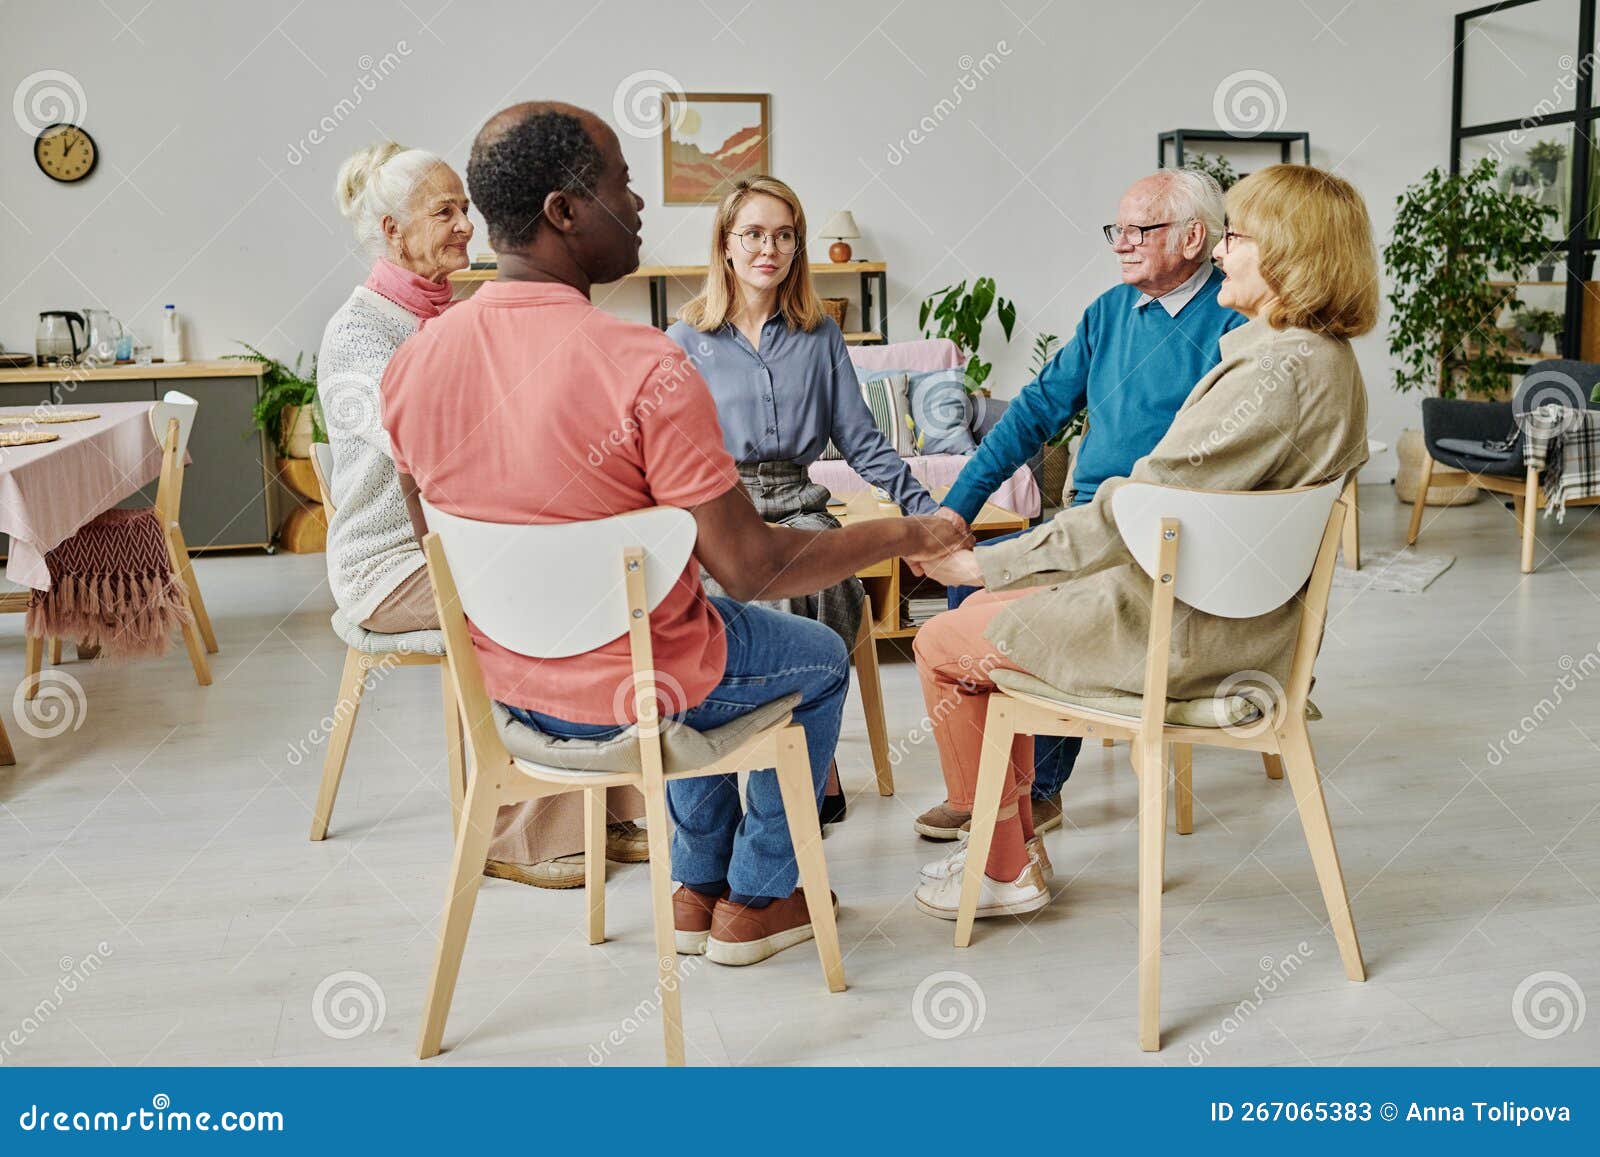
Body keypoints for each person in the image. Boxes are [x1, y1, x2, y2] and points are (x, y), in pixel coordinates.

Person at [381, 103, 968, 965]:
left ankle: (695, 886)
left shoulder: (415, 360)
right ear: (564, 211)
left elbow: (436, 542)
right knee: (813, 656)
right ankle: (760, 898)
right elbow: (755, 564)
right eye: (621, 177)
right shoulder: (648, 363)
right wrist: (908, 532)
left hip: (508, 693)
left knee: (702, 623)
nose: (642, 200)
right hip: (639, 690)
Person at [909, 164, 1377, 922]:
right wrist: (961, 525)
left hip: (1183, 622)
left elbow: (1142, 507)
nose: (1226, 251)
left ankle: (1003, 860)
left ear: (1289, 252)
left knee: (942, 642)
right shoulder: (1321, 362)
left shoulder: (1271, 370)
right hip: (1215, 605)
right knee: (987, 611)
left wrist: (979, 559)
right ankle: (1014, 847)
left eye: (1238, 237)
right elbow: (1049, 427)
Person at [316, 141, 650, 889]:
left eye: (465, 207)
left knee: (597, 589)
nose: (466, 224)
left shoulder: (456, 314)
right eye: (444, 212)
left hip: (473, 543)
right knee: (528, 605)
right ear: (392, 231)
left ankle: (612, 804)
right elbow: (415, 439)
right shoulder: (359, 332)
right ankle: (519, 831)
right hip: (390, 563)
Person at [914, 168, 1247, 843]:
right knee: (965, 605)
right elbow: (1034, 412)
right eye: (1115, 229)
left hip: (1166, 533)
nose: (1120, 243)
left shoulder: (1234, 320)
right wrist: (956, 510)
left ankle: (1033, 791)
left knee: (1033, 606)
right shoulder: (1109, 311)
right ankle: (989, 788)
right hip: (1085, 519)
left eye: (1138, 230)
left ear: (1192, 236)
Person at [667, 175, 937, 827]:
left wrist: (927, 517)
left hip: (798, 498)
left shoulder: (819, 336)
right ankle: (769, 759)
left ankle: (804, 757)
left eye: (784, 235)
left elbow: (863, 441)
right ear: (726, 246)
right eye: (755, 234)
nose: (770, 248)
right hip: (717, 510)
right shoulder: (685, 340)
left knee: (825, 583)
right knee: (731, 589)